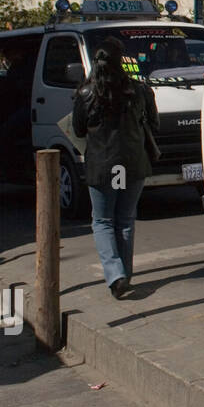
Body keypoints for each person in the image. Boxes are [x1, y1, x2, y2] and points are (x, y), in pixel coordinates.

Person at [72, 37, 158, 299]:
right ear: (122, 62)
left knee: (102, 221)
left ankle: (116, 274)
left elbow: (77, 129)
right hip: (132, 163)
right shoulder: (140, 90)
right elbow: (153, 124)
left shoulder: (86, 93)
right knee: (125, 220)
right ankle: (124, 275)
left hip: (102, 166)